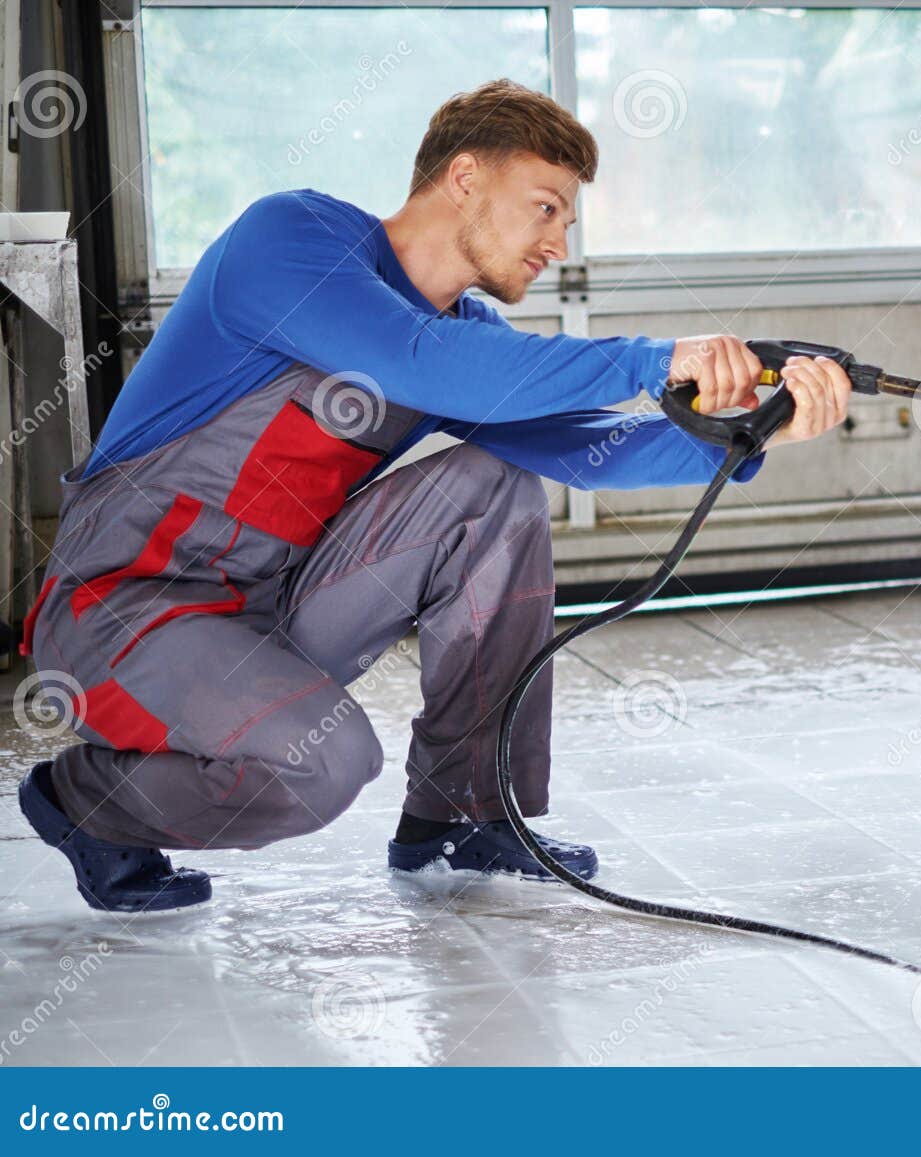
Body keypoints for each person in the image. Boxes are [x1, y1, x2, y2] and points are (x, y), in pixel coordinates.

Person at [15, 78, 852, 912]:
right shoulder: (292, 239)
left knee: (496, 485)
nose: (558, 241)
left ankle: (460, 814)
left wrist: (754, 430)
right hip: (125, 605)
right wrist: (656, 358)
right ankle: (86, 800)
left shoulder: (461, 341)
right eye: (546, 207)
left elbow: (588, 453)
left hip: (271, 600)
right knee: (323, 765)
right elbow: (411, 359)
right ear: (463, 179)